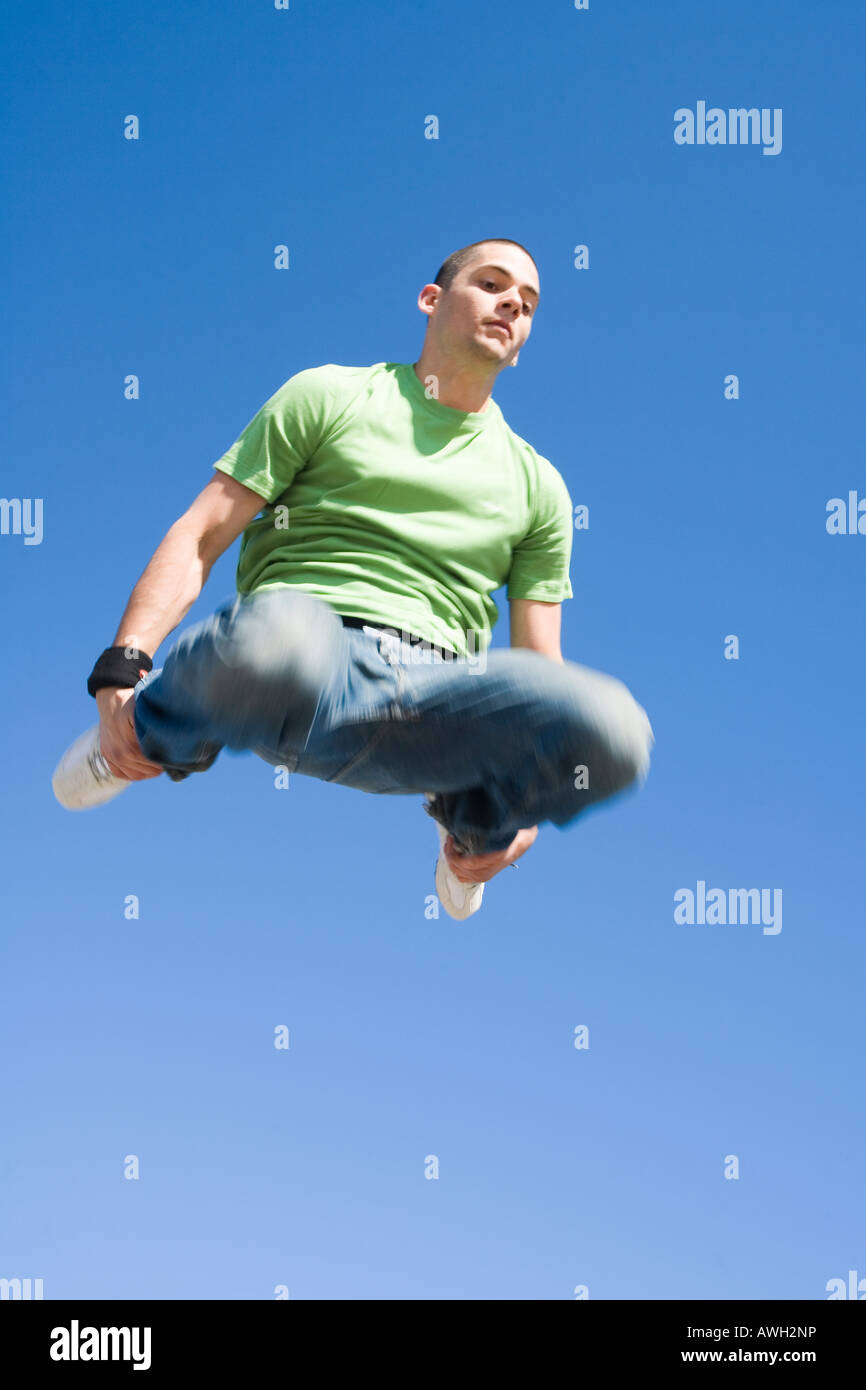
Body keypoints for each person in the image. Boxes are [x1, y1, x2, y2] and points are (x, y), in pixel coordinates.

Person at [52, 238, 654, 919]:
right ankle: (141, 738)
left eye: (529, 302)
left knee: (614, 724)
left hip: (441, 700)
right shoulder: (329, 395)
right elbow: (201, 535)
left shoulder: (540, 486)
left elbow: (541, 666)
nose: (513, 302)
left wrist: (531, 801)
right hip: (302, 669)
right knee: (282, 634)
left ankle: (474, 834)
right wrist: (120, 671)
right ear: (433, 300)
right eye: (492, 284)